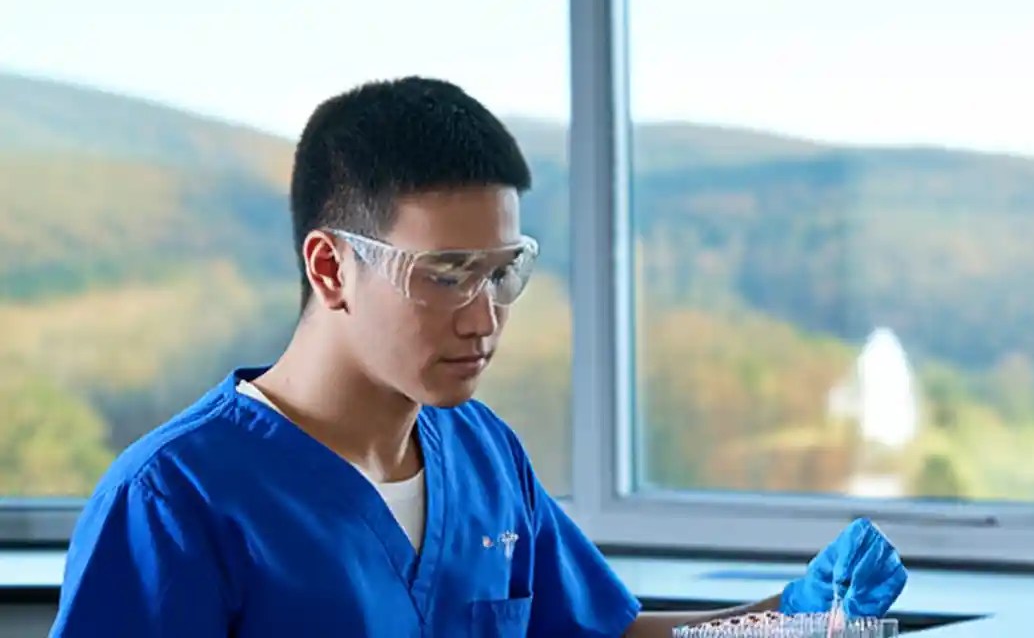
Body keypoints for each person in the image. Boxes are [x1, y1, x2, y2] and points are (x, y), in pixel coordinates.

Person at [51, 77, 907, 636]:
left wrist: (796, 622)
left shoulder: (484, 455)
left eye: (502, 273)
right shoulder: (173, 499)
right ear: (330, 266)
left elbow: (602, 634)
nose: (484, 318)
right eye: (447, 275)